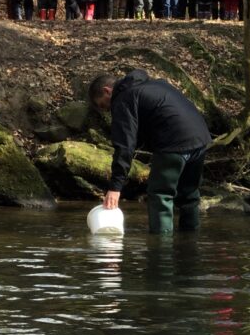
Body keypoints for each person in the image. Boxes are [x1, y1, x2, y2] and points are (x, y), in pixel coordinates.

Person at [90, 71, 212, 234]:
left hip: (173, 142)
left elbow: (125, 145)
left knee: (160, 196)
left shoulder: (123, 99)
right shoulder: (155, 85)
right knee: (189, 195)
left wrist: (115, 188)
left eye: (104, 105)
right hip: (200, 138)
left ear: (107, 91)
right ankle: (190, 245)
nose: (107, 110)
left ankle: (161, 249)